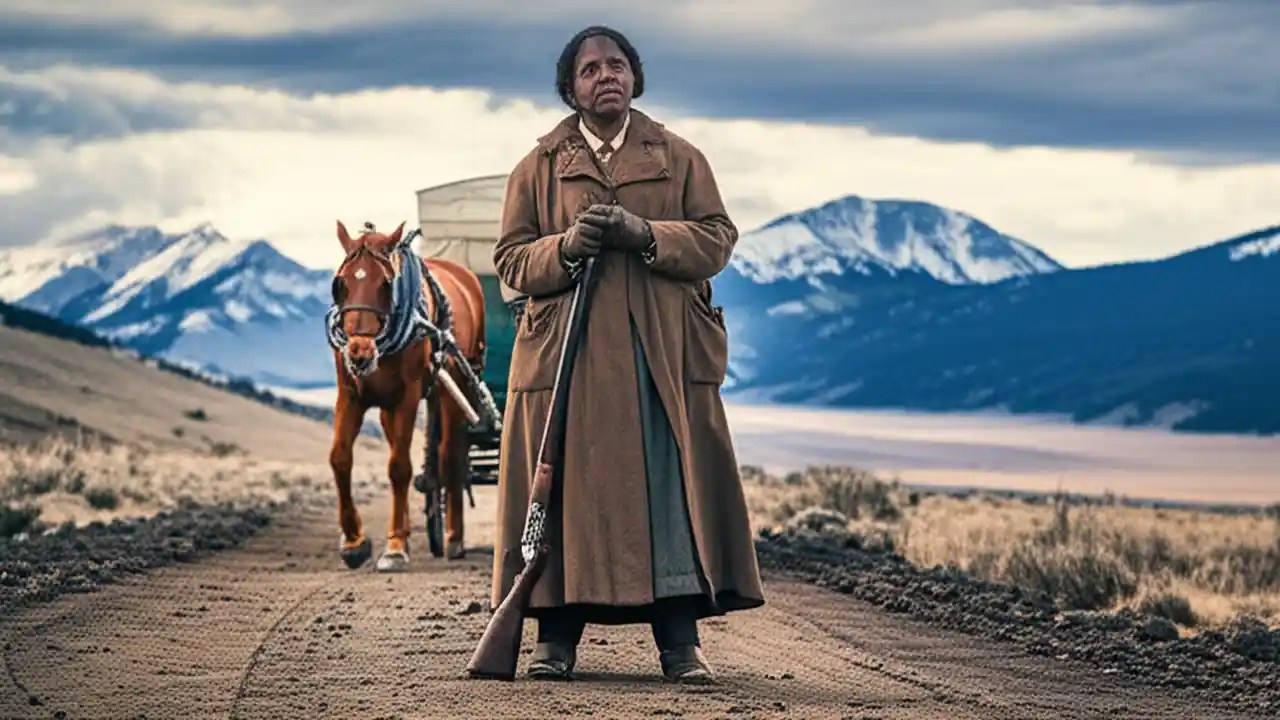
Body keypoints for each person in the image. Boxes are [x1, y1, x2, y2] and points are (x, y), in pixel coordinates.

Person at [490, 25, 765, 684]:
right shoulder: (537, 167)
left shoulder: (681, 157)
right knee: (559, 497)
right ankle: (553, 641)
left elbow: (717, 239)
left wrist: (647, 235)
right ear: (570, 87)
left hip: (659, 359)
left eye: (616, 65)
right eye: (590, 69)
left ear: (635, 78)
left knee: (667, 491)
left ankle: (680, 645)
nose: (605, 76)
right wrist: (564, 249)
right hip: (567, 363)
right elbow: (509, 261)